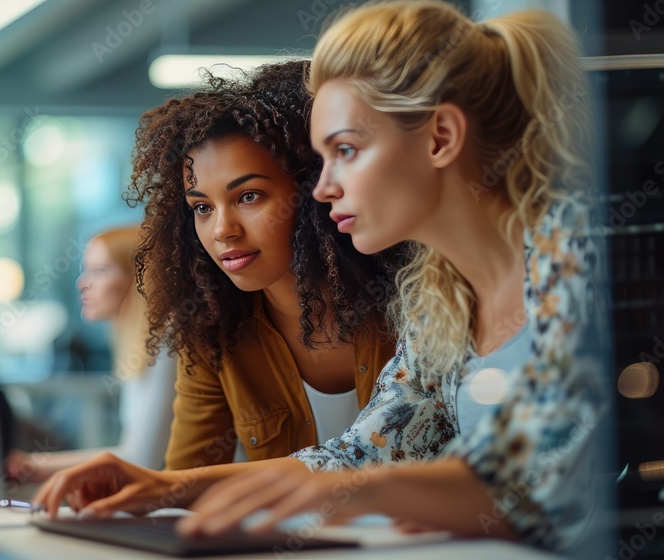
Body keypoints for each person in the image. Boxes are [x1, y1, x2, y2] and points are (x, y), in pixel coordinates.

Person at [36, 1, 607, 552]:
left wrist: (369, 492)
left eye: (346, 151)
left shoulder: (575, 252)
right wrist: (170, 488)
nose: (323, 187)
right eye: (322, 157)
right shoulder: (441, 297)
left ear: (440, 137)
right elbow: (363, 455)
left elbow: (542, 482)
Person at [32, 61, 409, 509]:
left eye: (248, 197)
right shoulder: (213, 332)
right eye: (202, 207)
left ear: (311, 191)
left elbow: (386, 462)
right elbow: (182, 485)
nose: (222, 230)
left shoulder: (412, 306)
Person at [7, 226, 177, 480]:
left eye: (99, 271)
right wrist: (32, 465)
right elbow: (132, 454)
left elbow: (142, 459)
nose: (82, 283)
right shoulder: (139, 343)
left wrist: (34, 466)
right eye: (85, 270)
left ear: (141, 278)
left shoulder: (165, 341)